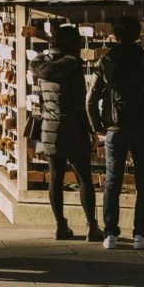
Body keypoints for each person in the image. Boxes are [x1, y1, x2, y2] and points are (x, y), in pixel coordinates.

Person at [86, 16, 144, 250]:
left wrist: (97, 126)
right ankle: (140, 234)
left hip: (115, 130)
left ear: (115, 35)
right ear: (138, 34)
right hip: (142, 128)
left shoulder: (107, 61)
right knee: (143, 182)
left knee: (112, 181)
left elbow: (91, 99)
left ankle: (110, 234)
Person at [30, 24, 104, 241]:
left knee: (55, 177)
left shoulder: (42, 66)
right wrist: (92, 132)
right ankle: (92, 227)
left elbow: (43, 101)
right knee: (84, 179)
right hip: (73, 128)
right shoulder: (72, 67)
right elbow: (80, 105)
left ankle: (61, 226)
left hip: (49, 128)